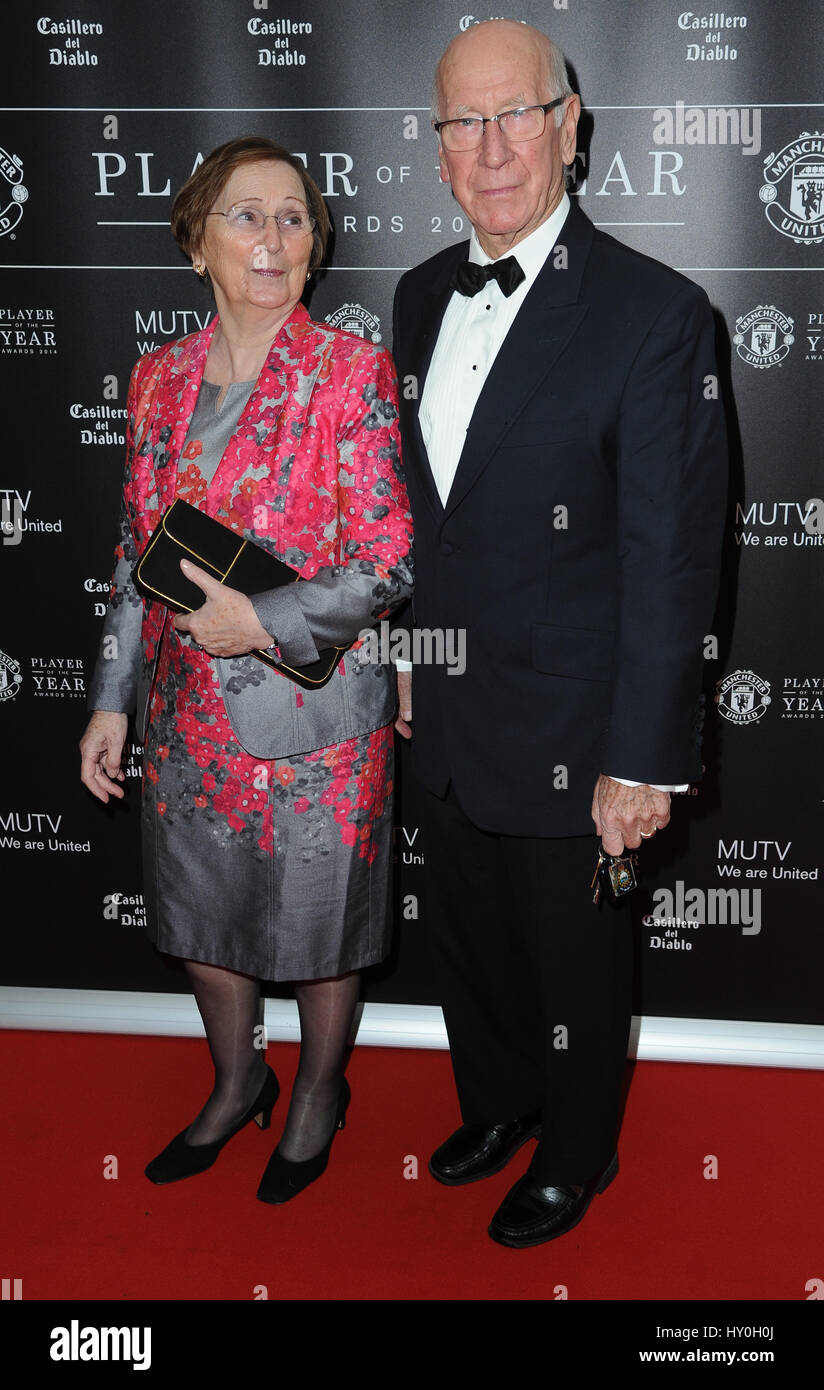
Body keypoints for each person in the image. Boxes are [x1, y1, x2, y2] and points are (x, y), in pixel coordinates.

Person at [391, 21, 727, 1247]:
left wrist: (640, 759)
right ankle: (498, 1104)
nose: (489, 150)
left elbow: (669, 558)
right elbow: (430, 524)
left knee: (577, 963)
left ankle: (574, 1154)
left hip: (579, 723)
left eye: (514, 115)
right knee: (469, 941)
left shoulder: (654, 313)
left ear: (567, 125)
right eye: (461, 124)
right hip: (450, 705)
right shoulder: (418, 295)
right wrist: (410, 664)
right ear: (433, 150)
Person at [80, 136, 413, 1203]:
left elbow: (388, 559)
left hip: (316, 717)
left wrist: (257, 620)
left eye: (293, 218)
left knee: (319, 930)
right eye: (246, 215)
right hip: (186, 720)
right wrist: (108, 698)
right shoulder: (157, 378)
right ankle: (235, 1084)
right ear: (196, 244)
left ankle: (317, 1093)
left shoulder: (349, 372)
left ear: (313, 247)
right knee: (200, 918)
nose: (273, 239)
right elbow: (135, 551)